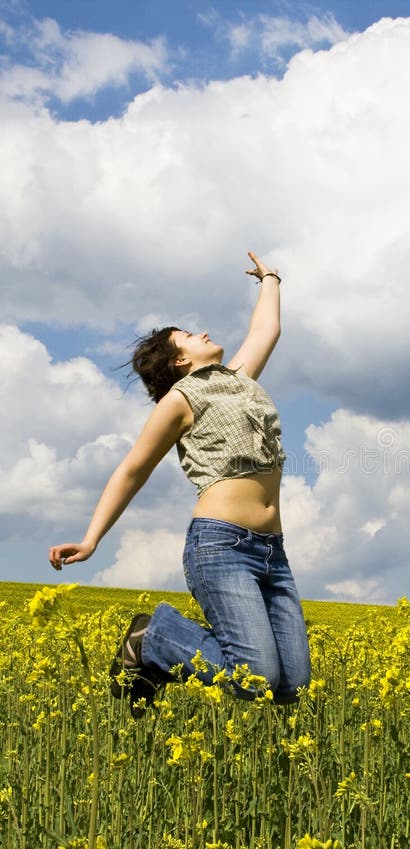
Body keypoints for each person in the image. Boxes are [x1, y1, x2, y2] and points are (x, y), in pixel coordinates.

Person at [49, 251, 311, 715]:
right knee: (256, 678)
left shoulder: (238, 379)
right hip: (221, 546)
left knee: (290, 686)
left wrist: (270, 278)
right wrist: (91, 539)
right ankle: (155, 636)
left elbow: (266, 330)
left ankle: (160, 646)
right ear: (181, 360)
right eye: (189, 335)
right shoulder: (178, 400)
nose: (203, 333)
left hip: (273, 549)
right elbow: (132, 470)